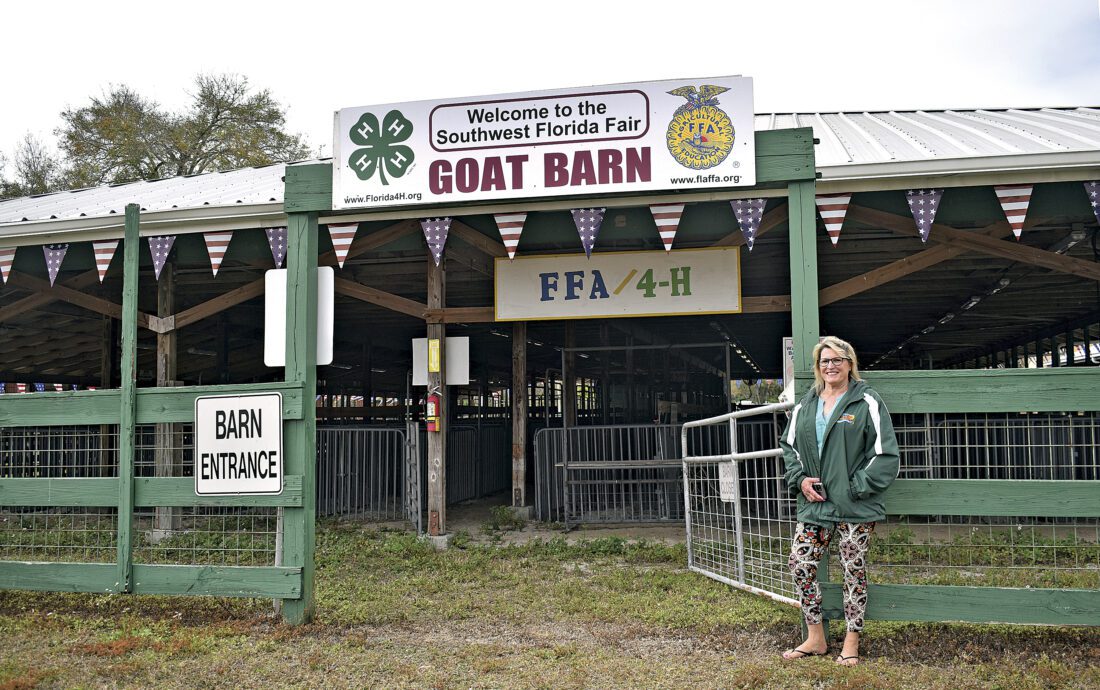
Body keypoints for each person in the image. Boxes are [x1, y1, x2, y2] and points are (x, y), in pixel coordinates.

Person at [778, 336, 899, 666]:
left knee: (852, 570)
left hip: (854, 508)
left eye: (836, 360)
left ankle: (851, 642)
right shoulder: (807, 403)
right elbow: (789, 448)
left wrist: (855, 487)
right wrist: (800, 480)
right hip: (815, 506)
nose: (830, 366)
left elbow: (885, 455)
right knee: (801, 565)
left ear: (849, 363)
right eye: (824, 361)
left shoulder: (867, 401)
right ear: (818, 368)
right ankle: (815, 637)